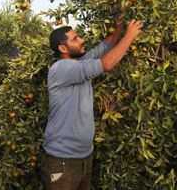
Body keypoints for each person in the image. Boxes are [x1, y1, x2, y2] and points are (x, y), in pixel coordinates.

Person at [41, 17, 142, 189]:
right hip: (62, 161)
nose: (82, 40)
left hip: (84, 157)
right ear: (63, 48)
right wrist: (129, 36)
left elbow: (106, 45)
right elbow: (107, 63)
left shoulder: (79, 63)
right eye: (75, 39)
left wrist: (121, 18)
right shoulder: (61, 69)